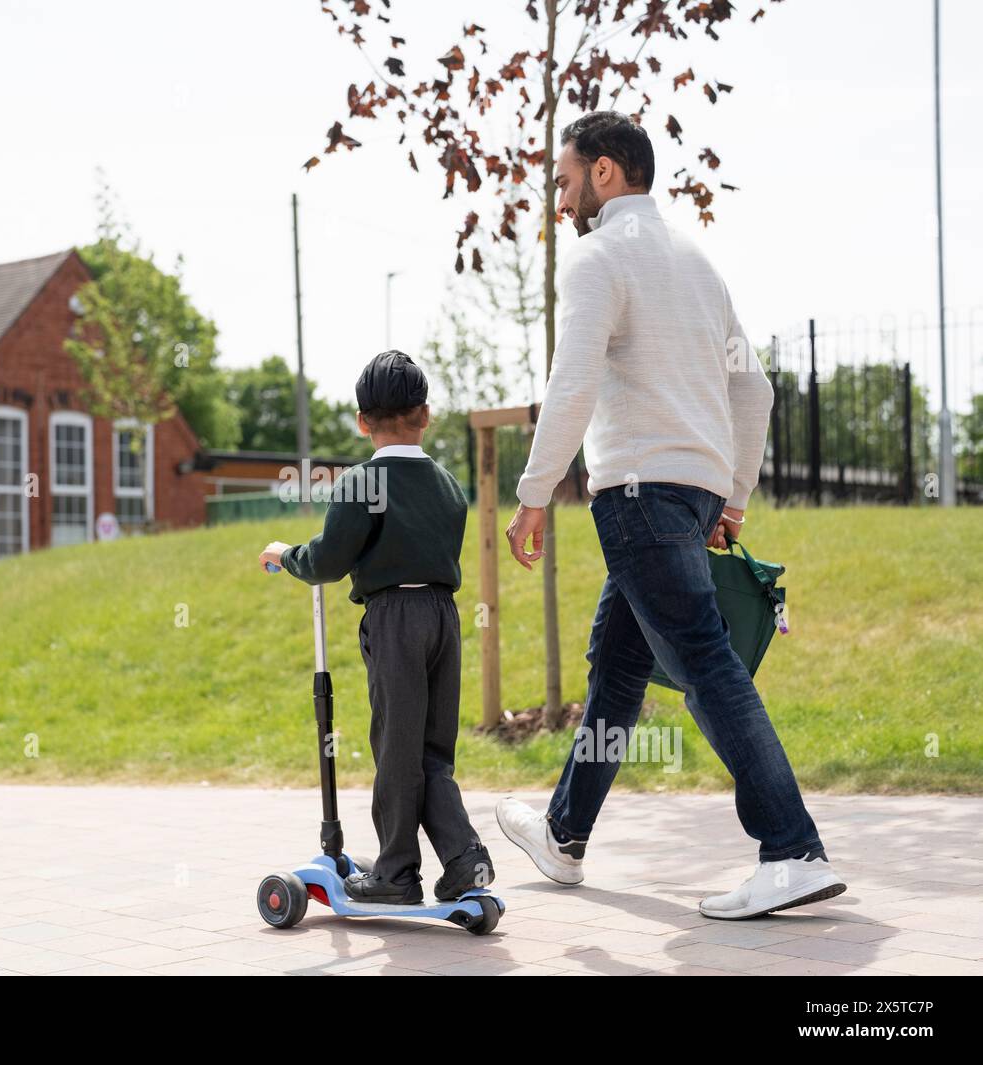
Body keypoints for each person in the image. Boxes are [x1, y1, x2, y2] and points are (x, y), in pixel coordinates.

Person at [499, 111, 845, 920]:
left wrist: (532, 494)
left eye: (565, 179)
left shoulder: (596, 259)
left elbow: (573, 380)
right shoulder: (698, 264)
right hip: (688, 498)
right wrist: (732, 497)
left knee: (703, 662)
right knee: (617, 669)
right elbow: (752, 387)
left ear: (606, 172)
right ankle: (564, 833)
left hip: (637, 496)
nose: (560, 199)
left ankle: (791, 847)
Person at [259, 350, 493, 905]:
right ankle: (465, 860)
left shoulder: (362, 483)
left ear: (363, 422)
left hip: (395, 622)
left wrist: (286, 555)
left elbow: (328, 560)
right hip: (443, 615)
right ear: (426, 414)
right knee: (433, 751)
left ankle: (395, 874)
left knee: (395, 748)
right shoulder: (447, 484)